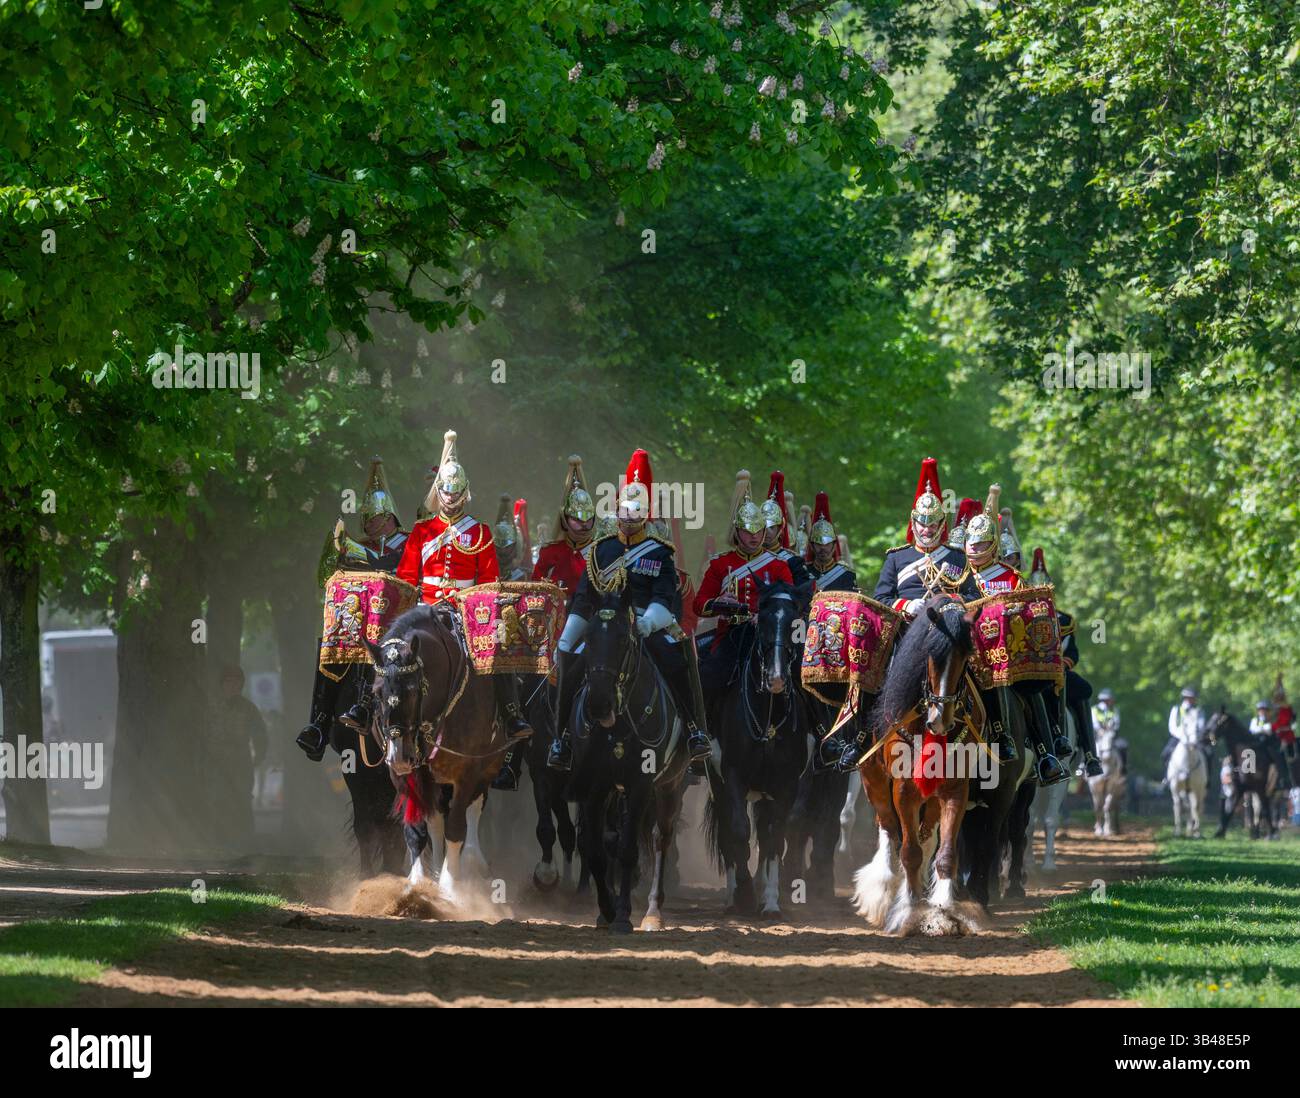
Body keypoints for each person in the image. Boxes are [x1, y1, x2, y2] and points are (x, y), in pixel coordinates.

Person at [548, 449, 711, 770]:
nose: (628, 517)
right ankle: (562, 737)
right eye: (624, 509)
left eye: (636, 511)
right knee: (572, 660)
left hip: (646, 623)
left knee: (677, 658)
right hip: (605, 622)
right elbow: (585, 596)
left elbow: (667, 597)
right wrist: (570, 634)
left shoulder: (661, 551)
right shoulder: (601, 548)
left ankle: (695, 730)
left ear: (646, 513)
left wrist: (649, 621)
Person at [836, 458, 981, 771]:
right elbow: (882, 598)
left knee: (983, 674)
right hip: (905, 633)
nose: (926, 530)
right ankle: (859, 737)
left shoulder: (956, 558)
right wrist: (907, 606)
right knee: (869, 671)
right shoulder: (897, 558)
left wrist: (949, 604)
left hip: (946, 632)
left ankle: (998, 733)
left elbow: (973, 596)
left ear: (943, 525)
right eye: (921, 523)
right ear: (913, 523)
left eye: (932, 524)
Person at [395, 429, 532, 741]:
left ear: (465, 492)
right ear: (439, 492)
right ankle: (375, 711)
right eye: (446, 491)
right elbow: (406, 578)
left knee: (496, 646)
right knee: (393, 656)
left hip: (464, 612)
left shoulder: (481, 532)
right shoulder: (422, 532)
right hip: (424, 609)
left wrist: (469, 603)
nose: (451, 498)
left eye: (457, 493)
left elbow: (487, 582)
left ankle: (511, 713)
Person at [296, 456, 409, 760]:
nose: (369, 524)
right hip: (358, 627)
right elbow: (325, 580)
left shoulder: (410, 545)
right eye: (366, 520)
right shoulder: (356, 547)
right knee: (330, 646)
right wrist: (334, 549)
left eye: (374, 518)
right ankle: (318, 726)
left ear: (389, 516)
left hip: (399, 624)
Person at [693, 470, 796, 742]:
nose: (753, 537)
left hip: (770, 635)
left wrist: (763, 616)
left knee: (799, 677)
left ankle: (814, 737)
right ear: (736, 532)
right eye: (747, 531)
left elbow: (788, 603)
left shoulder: (778, 565)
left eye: (758, 531)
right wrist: (718, 603)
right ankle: (704, 736)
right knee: (709, 677)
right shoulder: (719, 564)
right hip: (732, 635)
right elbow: (699, 604)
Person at [1027, 548, 1102, 777]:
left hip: (1058, 670)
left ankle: (1090, 754)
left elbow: (1074, 652)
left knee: (1083, 692)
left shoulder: (1064, 620)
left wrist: (1064, 664)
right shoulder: (1021, 616)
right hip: (1031, 670)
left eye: (1044, 592)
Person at [211, 665, 267, 848]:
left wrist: (259, 756)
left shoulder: (248, 709)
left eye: (236, 681)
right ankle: (219, 842)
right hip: (216, 762)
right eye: (228, 681)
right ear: (222, 684)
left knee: (242, 801)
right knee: (218, 801)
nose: (233, 685)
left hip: (240, 761)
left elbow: (260, 734)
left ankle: (245, 843)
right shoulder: (211, 708)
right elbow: (200, 735)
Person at [759, 471, 814, 611]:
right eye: (763, 527)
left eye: (772, 527)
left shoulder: (794, 561)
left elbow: (804, 597)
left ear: (780, 529)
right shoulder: (750, 556)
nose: (767, 532)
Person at [1162, 686, 1208, 778]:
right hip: (1179, 738)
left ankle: (1207, 779)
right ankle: (1166, 777)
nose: (1190, 700)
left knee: (1208, 753)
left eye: (1192, 698)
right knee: (1165, 753)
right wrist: (1182, 736)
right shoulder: (1176, 709)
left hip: (1194, 738)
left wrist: (1194, 737)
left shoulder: (1199, 711)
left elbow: (1201, 726)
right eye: (1188, 698)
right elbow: (1172, 726)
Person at [1249, 698, 1292, 791]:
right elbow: (1253, 730)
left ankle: (1282, 779)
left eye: (1265, 710)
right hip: (1257, 744)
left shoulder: (1273, 721)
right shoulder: (1254, 720)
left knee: (1278, 756)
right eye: (1261, 710)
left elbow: (1272, 730)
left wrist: (1264, 729)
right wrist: (1265, 728)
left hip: (1270, 744)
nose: (1263, 712)